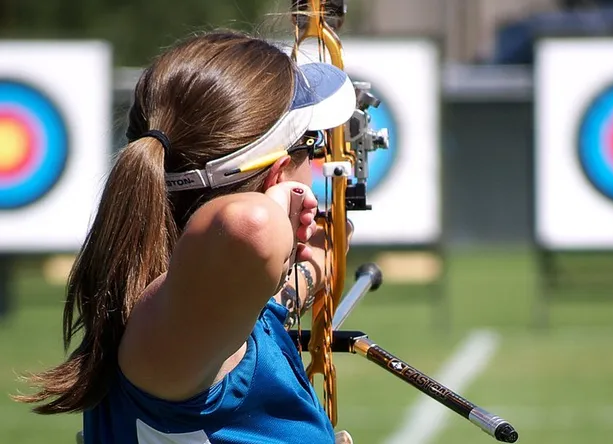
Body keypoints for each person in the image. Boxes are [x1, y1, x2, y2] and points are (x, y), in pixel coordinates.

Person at [15, 29, 357, 444]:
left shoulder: (201, 305)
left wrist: (323, 253)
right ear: (278, 172)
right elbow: (249, 227)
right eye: (312, 146)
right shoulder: (170, 332)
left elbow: (275, 295)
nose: (317, 164)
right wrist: (281, 205)